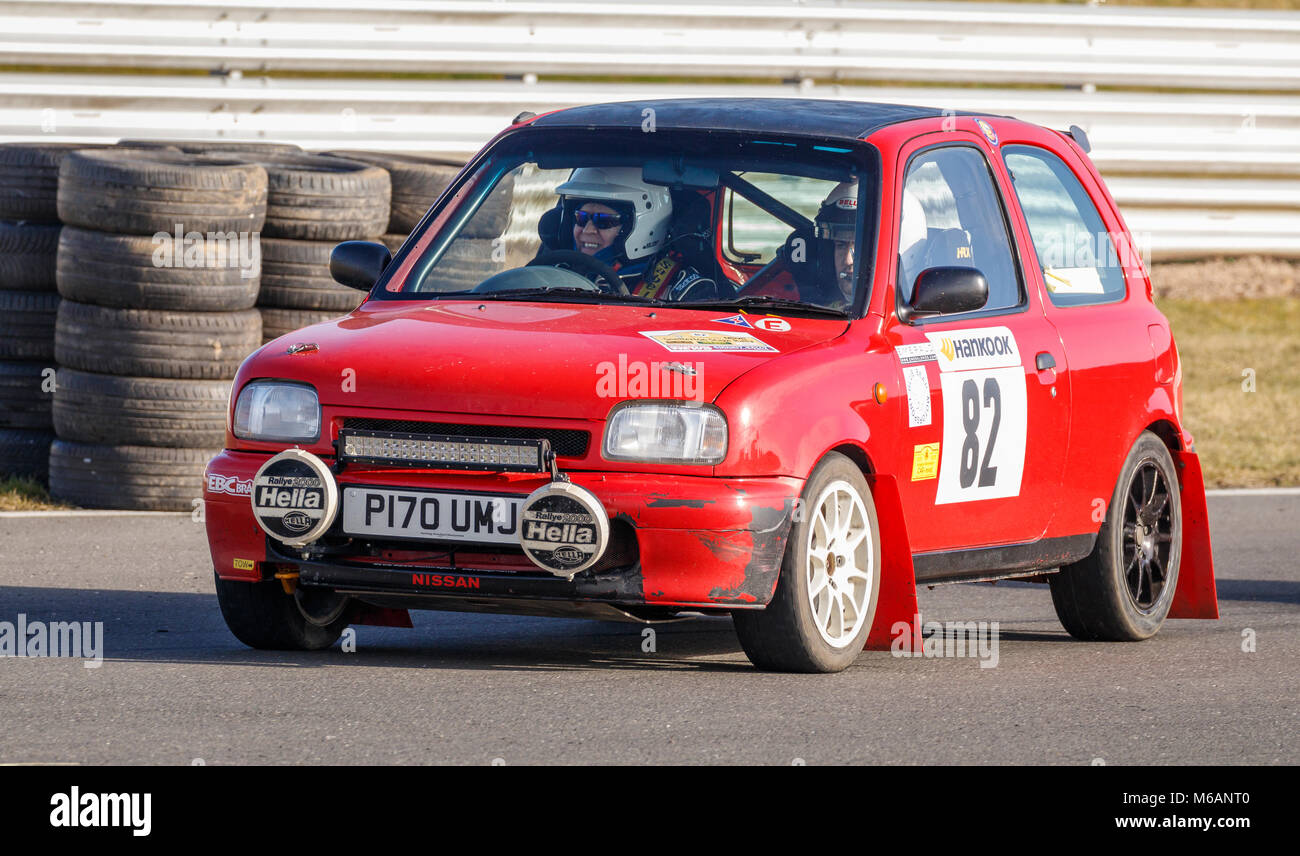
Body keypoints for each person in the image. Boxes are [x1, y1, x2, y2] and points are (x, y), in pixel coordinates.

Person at [542, 166, 717, 298]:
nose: (587, 230)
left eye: (603, 221)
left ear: (642, 225)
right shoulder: (551, 277)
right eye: (580, 218)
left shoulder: (684, 290)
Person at [738, 180, 860, 310]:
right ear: (826, 254)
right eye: (840, 245)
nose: (848, 260)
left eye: (857, 247)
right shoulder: (816, 309)